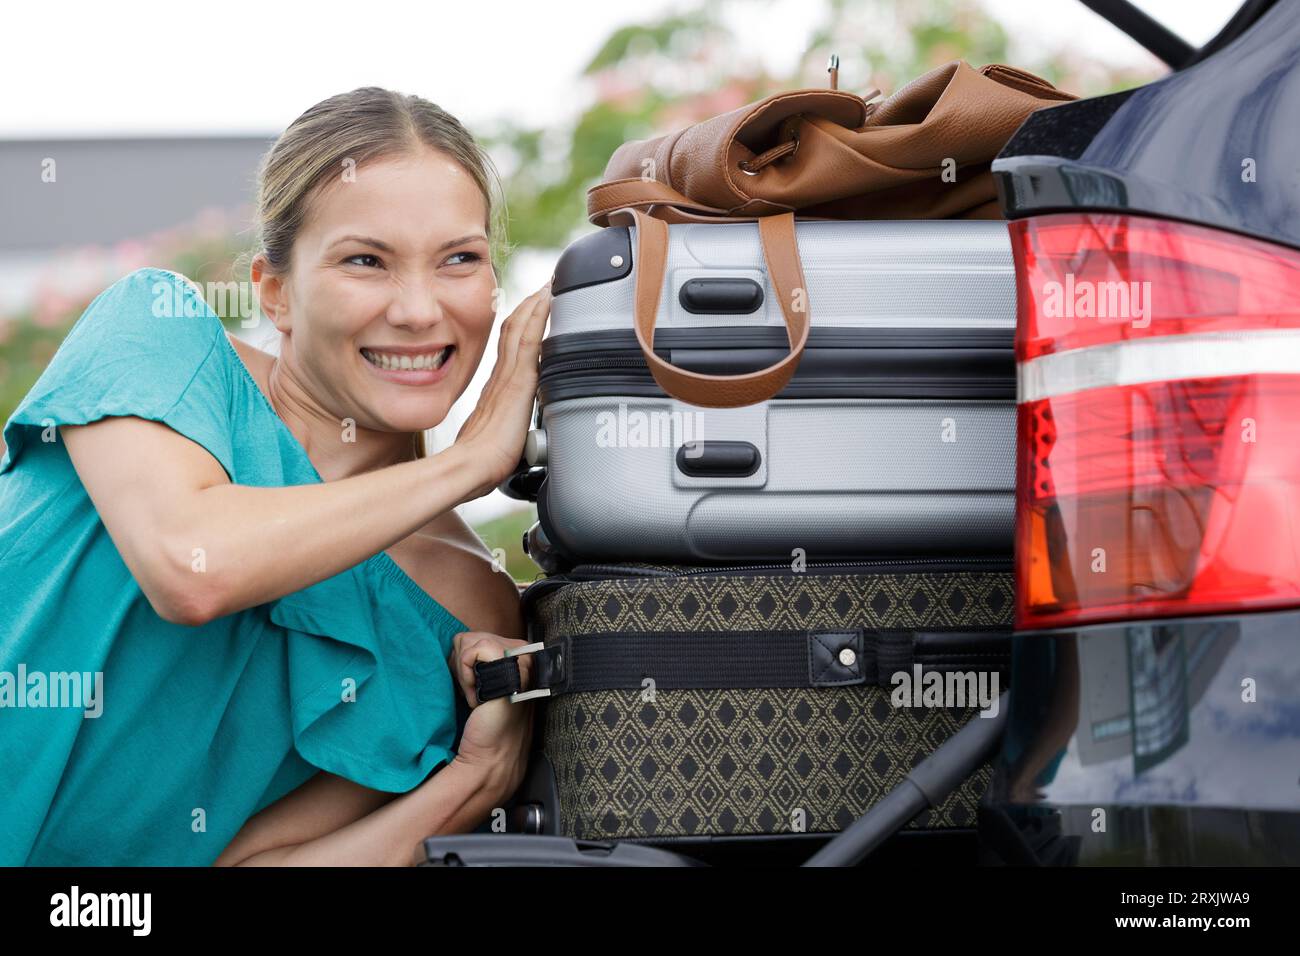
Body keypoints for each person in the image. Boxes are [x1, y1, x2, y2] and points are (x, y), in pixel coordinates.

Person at [0, 87, 549, 866]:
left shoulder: (468, 599)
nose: (421, 310)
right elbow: (194, 567)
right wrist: (468, 463)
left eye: (459, 259)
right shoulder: (158, 335)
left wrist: (474, 782)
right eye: (366, 260)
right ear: (274, 290)